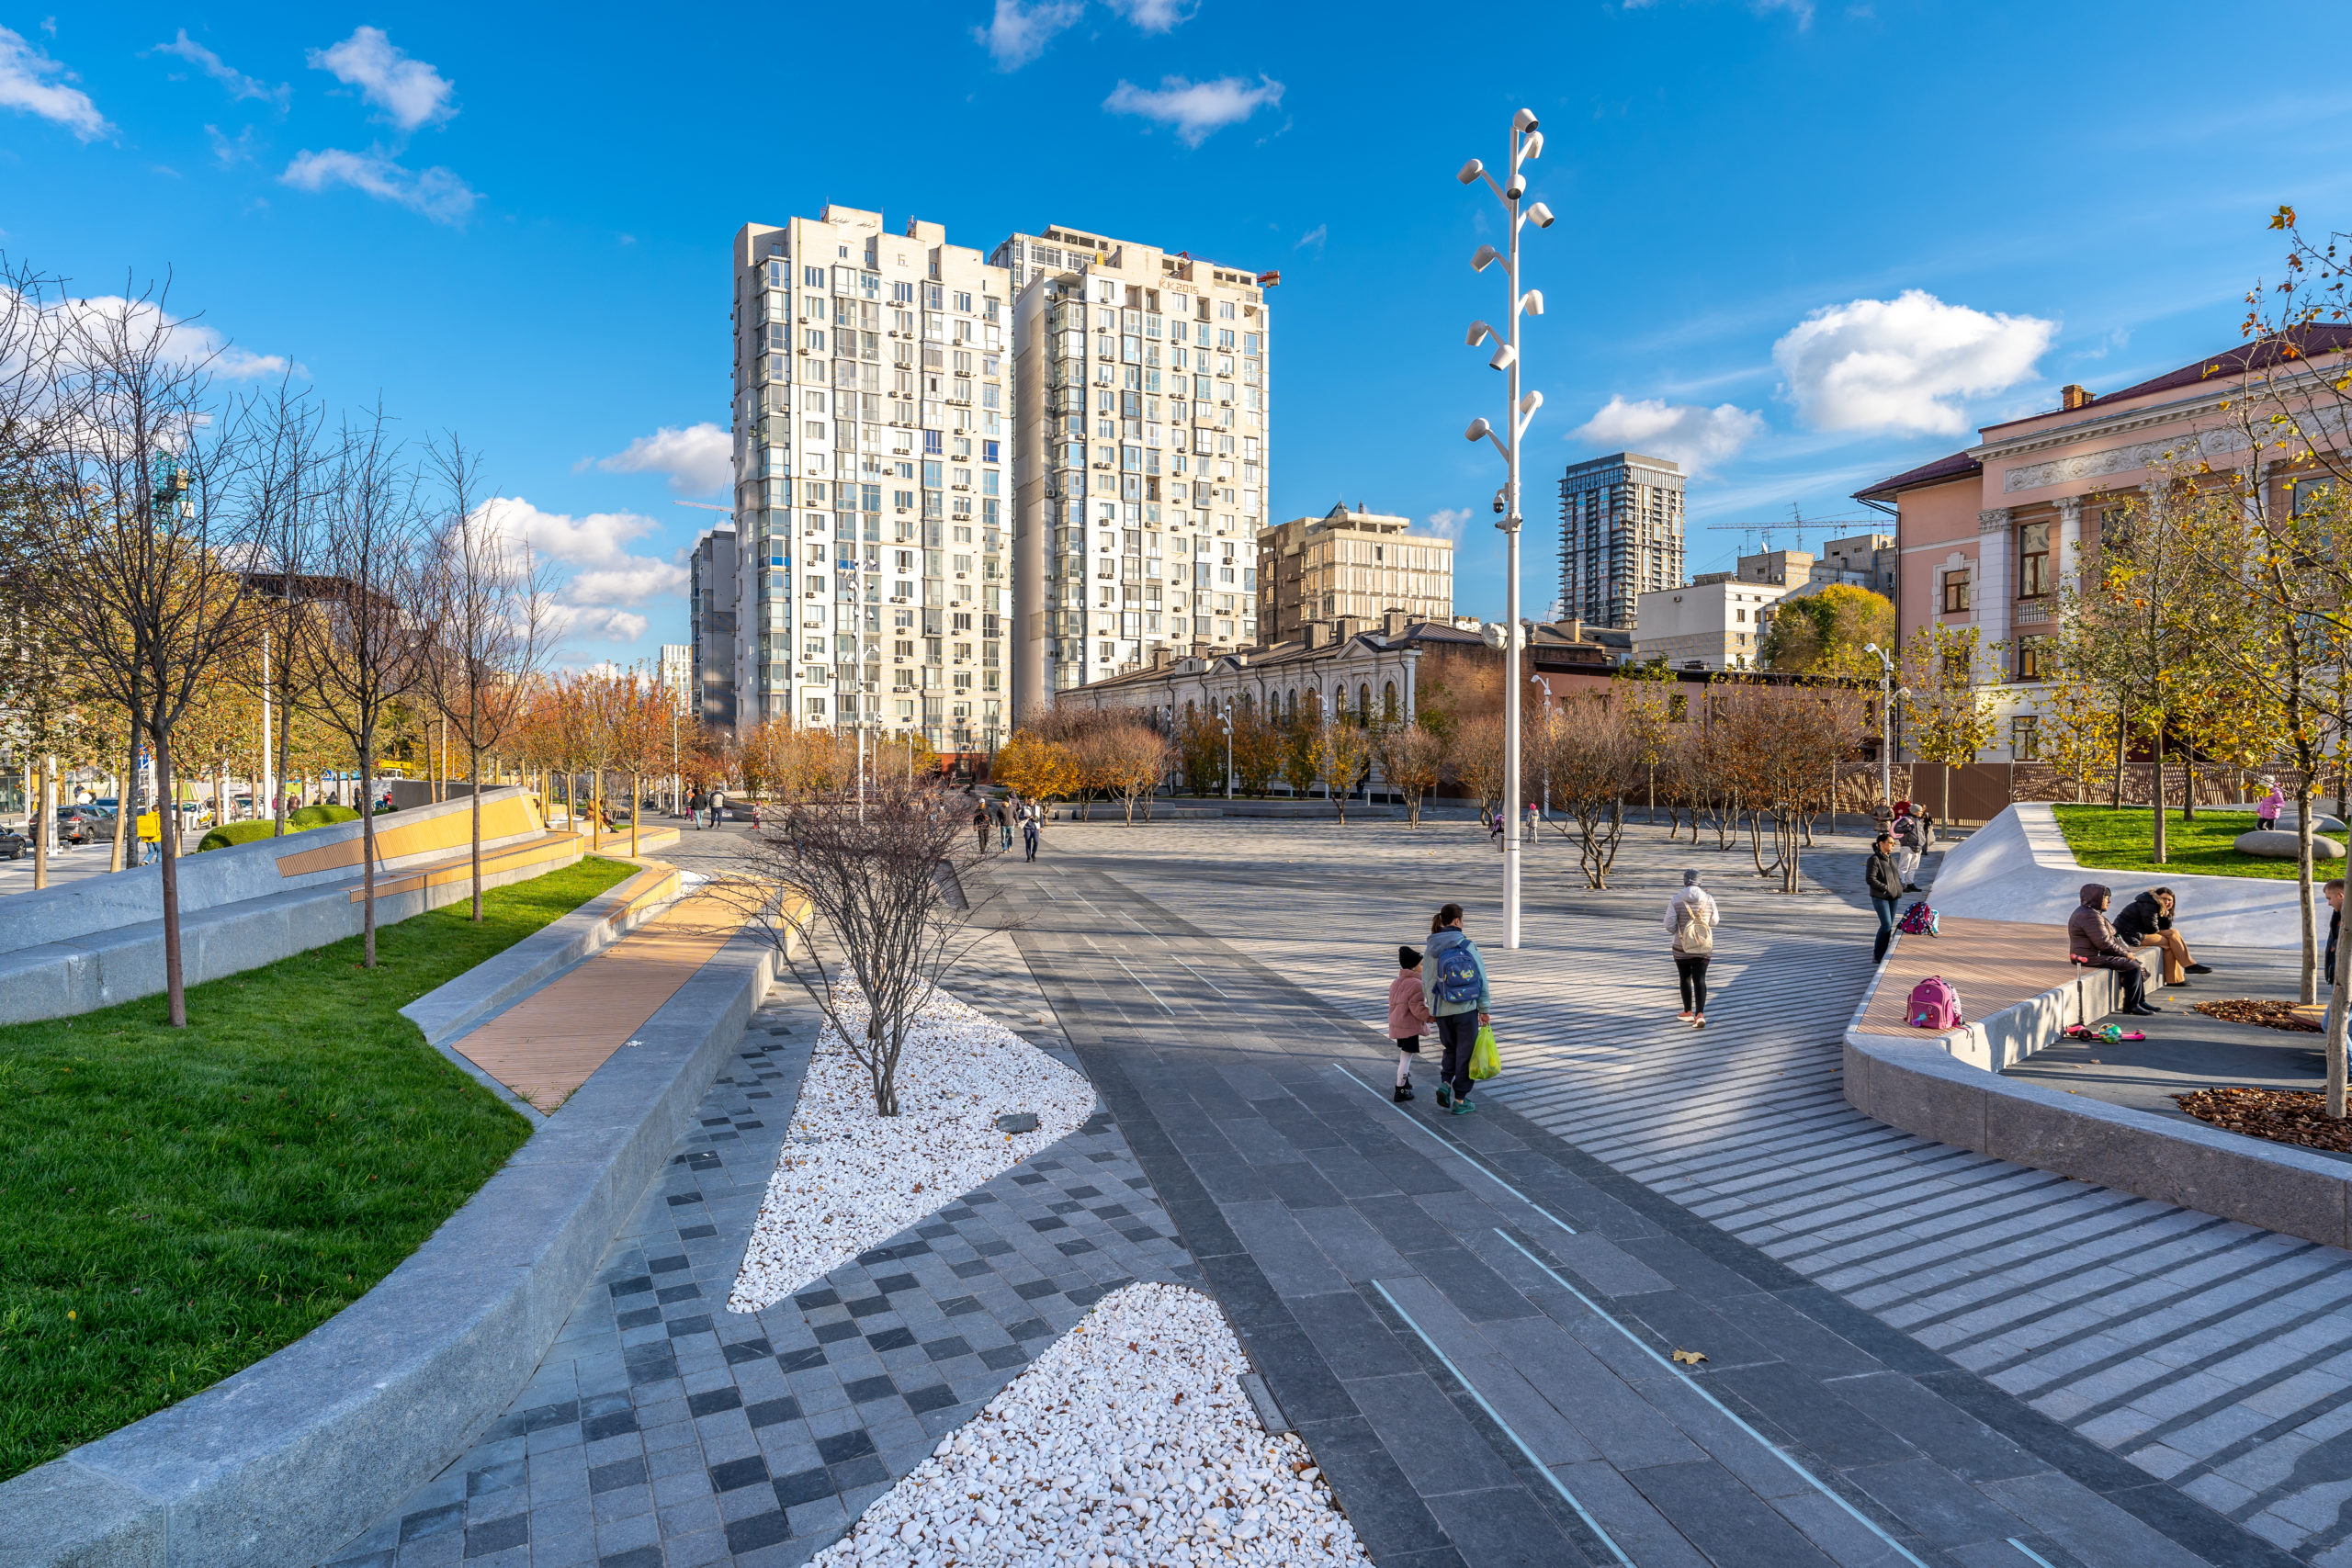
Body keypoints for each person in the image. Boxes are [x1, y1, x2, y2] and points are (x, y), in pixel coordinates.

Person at [1421, 902, 1491, 1116]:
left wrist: (1433, 1010)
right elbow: (1481, 978)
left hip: (1442, 1012)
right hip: (1465, 1008)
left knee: (1450, 1049)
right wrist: (1484, 1008)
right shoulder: (1466, 945)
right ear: (1458, 921)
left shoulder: (1431, 947)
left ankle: (1445, 1083)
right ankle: (1460, 1099)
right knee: (1466, 1054)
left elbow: (1427, 981)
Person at [2070, 883, 2159, 1016]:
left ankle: (2140, 1001)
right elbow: (2104, 943)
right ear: (2097, 898)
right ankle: (2131, 1005)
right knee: (2132, 966)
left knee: (2134, 963)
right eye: (2106, 898)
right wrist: (2126, 954)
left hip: (2095, 953)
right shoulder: (2090, 916)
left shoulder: (2090, 912)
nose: (2109, 901)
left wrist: (2126, 953)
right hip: (2091, 956)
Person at [2113, 886, 2212, 987]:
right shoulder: (2149, 905)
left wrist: (2165, 916)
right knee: (2173, 934)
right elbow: (2151, 929)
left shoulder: (2154, 905)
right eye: (2164, 899)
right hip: (2127, 936)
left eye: (2170, 900)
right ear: (2157, 897)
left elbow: (2161, 928)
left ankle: (2175, 979)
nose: (2167, 902)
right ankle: (2188, 965)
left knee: (2170, 944)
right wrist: (2164, 917)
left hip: (2138, 934)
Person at [1663, 869, 1719, 1028]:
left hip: (1681, 946)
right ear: (1699, 882)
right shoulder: (1708, 899)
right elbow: (1715, 921)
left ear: (1685, 882)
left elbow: (1669, 925)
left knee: (1685, 977)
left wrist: (1681, 931)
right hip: (1703, 945)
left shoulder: (1676, 900)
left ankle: (1687, 1012)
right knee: (1700, 978)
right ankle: (1700, 1014)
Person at [1387, 945, 1432, 1102]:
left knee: (1404, 1055)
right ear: (1413, 967)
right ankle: (1400, 1088)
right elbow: (1418, 1008)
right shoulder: (1416, 984)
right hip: (1409, 1026)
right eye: (1421, 965)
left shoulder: (1396, 982)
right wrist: (1431, 1017)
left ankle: (1405, 1081)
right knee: (1406, 1057)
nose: (1423, 967)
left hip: (1398, 1024)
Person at [1866, 832, 1904, 964]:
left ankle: (1884, 953)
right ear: (1881, 843)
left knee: (1889, 926)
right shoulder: (1874, 859)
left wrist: (1899, 887)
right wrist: (1885, 887)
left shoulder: (1891, 858)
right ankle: (1878, 955)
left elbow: (1895, 876)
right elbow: (1870, 879)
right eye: (1890, 842)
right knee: (1886, 925)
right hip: (1880, 896)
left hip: (1893, 896)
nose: (1893, 845)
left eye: (1894, 843)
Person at [2328, 878, 2346, 988]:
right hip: (2337, 977)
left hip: (2344, 979)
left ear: (2340, 896)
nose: (2329, 903)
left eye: (2329, 898)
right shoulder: (2338, 916)